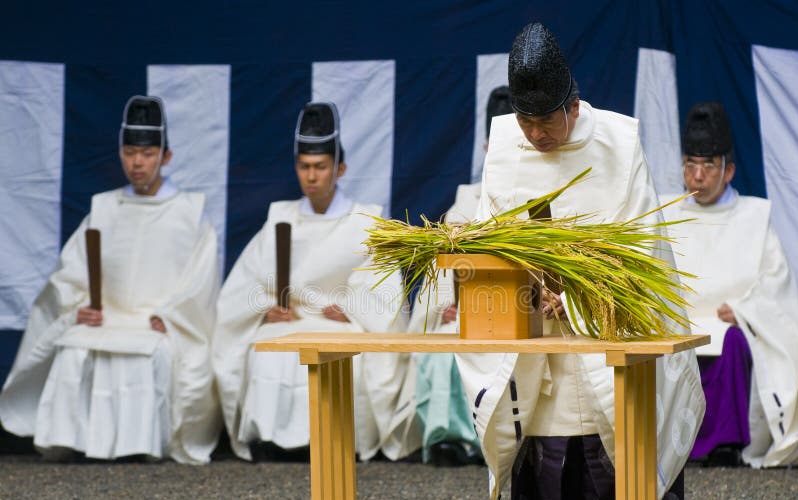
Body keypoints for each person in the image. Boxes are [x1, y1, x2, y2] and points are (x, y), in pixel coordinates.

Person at [453, 23, 705, 500]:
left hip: (601, 319)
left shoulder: (618, 141)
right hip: (536, 329)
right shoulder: (506, 143)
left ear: (572, 105)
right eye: (527, 121)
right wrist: (522, 286)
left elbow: (642, 247)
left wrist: (578, 294)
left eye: (546, 121)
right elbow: (493, 234)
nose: (536, 135)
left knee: (605, 414)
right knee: (544, 413)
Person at [0, 96, 221, 464]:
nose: (137, 162)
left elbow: (201, 282)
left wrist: (171, 315)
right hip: (107, 317)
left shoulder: (190, 212)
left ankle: (146, 444)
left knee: (157, 350)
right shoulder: (103, 207)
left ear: (166, 157)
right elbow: (70, 270)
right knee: (74, 344)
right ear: (121, 153)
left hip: (157, 322)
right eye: (130, 152)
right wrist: (79, 307)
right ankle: (73, 441)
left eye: (148, 154)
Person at [213, 102, 419, 462]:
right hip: (290, 320)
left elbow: (380, 283)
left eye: (320, 167)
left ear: (339, 169)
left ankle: (340, 438)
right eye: (304, 167)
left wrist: (353, 310)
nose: (311, 176)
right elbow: (249, 278)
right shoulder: (280, 217)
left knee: (345, 350)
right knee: (267, 345)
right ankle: (271, 438)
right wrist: (265, 309)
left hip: (342, 322)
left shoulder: (366, 220)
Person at [662, 102, 798, 468]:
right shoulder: (664, 213)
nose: (698, 177)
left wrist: (745, 311)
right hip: (679, 325)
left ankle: (725, 443)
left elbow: (778, 285)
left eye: (708, 167)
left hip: (729, 328)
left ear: (729, 171)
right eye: (690, 165)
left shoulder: (755, 215)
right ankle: (671, 442)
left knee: (736, 341)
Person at [407, 86, 512, 467]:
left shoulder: (534, 197)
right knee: (442, 342)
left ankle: (499, 440)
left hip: (514, 315)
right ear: (485, 148)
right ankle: (450, 437)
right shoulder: (466, 202)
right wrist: (445, 306)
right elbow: (444, 271)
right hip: (466, 316)